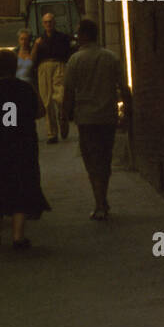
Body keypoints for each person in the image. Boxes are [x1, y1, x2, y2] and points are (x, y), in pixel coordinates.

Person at [0, 50, 49, 249]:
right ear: (15, 67)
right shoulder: (27, 88)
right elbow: (41, 111)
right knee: (21, 187)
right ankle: (18, 235)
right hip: (23, 145)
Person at [62, 17, 131, 220]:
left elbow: (68, 92)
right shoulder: (111, 58)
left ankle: (99, 202)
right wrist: (128, 110)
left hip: (86, 118)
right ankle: (103, 197)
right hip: (107, 116)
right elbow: (124, 87)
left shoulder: (75, 60)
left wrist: (64, 117)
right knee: (104, 158)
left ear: (84, 35)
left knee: (91, 160)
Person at [31, 10, 73, 143]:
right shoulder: (39, 40)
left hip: (59, 65)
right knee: (47, 101)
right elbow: (32, 60)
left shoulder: (63, 38)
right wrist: (36, 46)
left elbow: (69, 53)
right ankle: (51, 133)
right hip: (43, 68)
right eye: (46, 22)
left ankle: (63, 117)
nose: (48, 24)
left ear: (54, 23)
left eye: (50, 22)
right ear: (43, 24)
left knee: (60, 97)